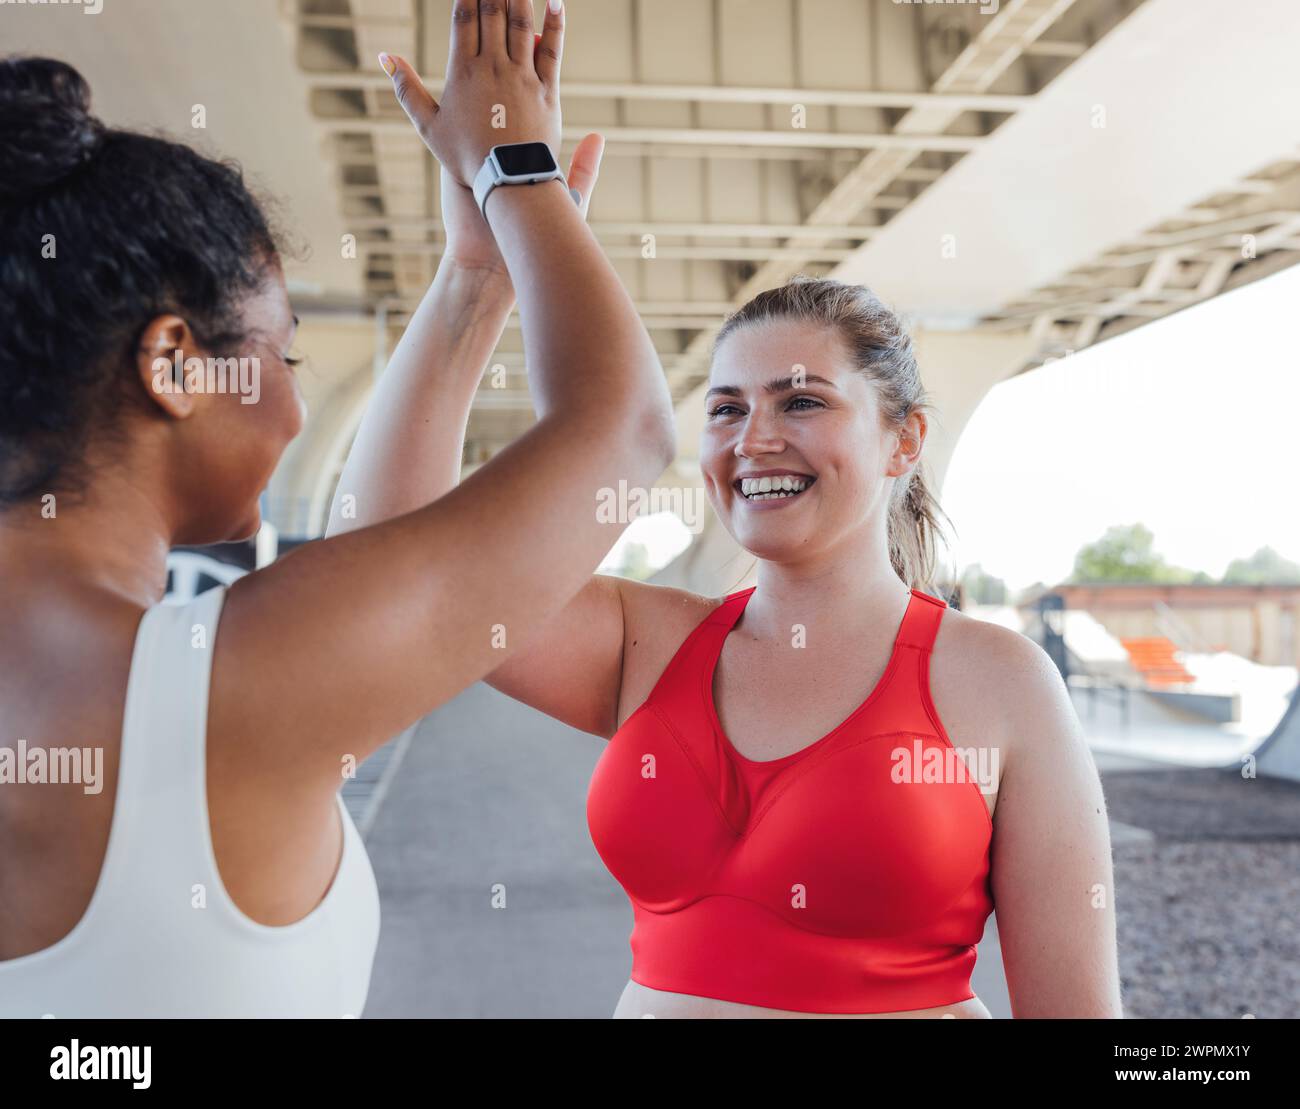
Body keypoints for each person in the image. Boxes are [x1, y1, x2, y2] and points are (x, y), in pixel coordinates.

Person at [0, 0, 674, 1017]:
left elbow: (374, 570)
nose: (297, 405)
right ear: (175, 365)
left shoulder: (232, 676)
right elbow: (622, 429)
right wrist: (516, 170)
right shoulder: (223, 688)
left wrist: (475, 277)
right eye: (283, 356)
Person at [340, 199, 1124, 1014]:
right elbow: (385, 562)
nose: (753, 438)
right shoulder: (641, 644)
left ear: (906, 439)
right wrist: (474, 277)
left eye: (802, 401)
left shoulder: (1001, 683)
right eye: (725, 408)